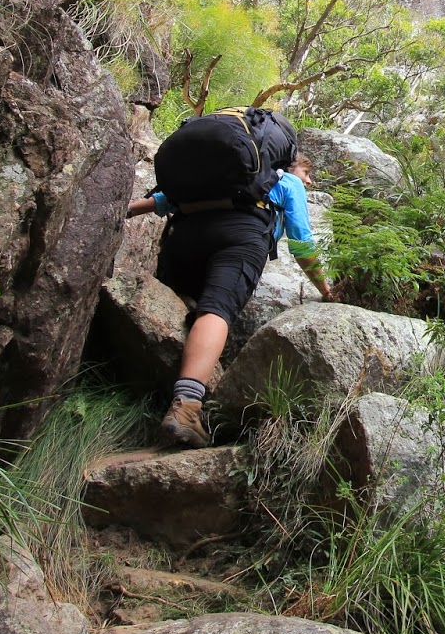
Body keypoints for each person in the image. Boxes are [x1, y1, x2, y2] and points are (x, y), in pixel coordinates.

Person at [126, 151, 335, 447]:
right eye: (306, 172)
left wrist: (126, 209)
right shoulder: (287, 181)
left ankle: (144, 397)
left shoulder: (225, 171)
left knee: (183, 303)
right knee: (216, 310)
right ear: (289, 166)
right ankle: (185, 409)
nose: (309, 180)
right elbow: (301, 243)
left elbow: (165, 200)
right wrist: (325, 290)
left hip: (184, 237)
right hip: (241, 237)